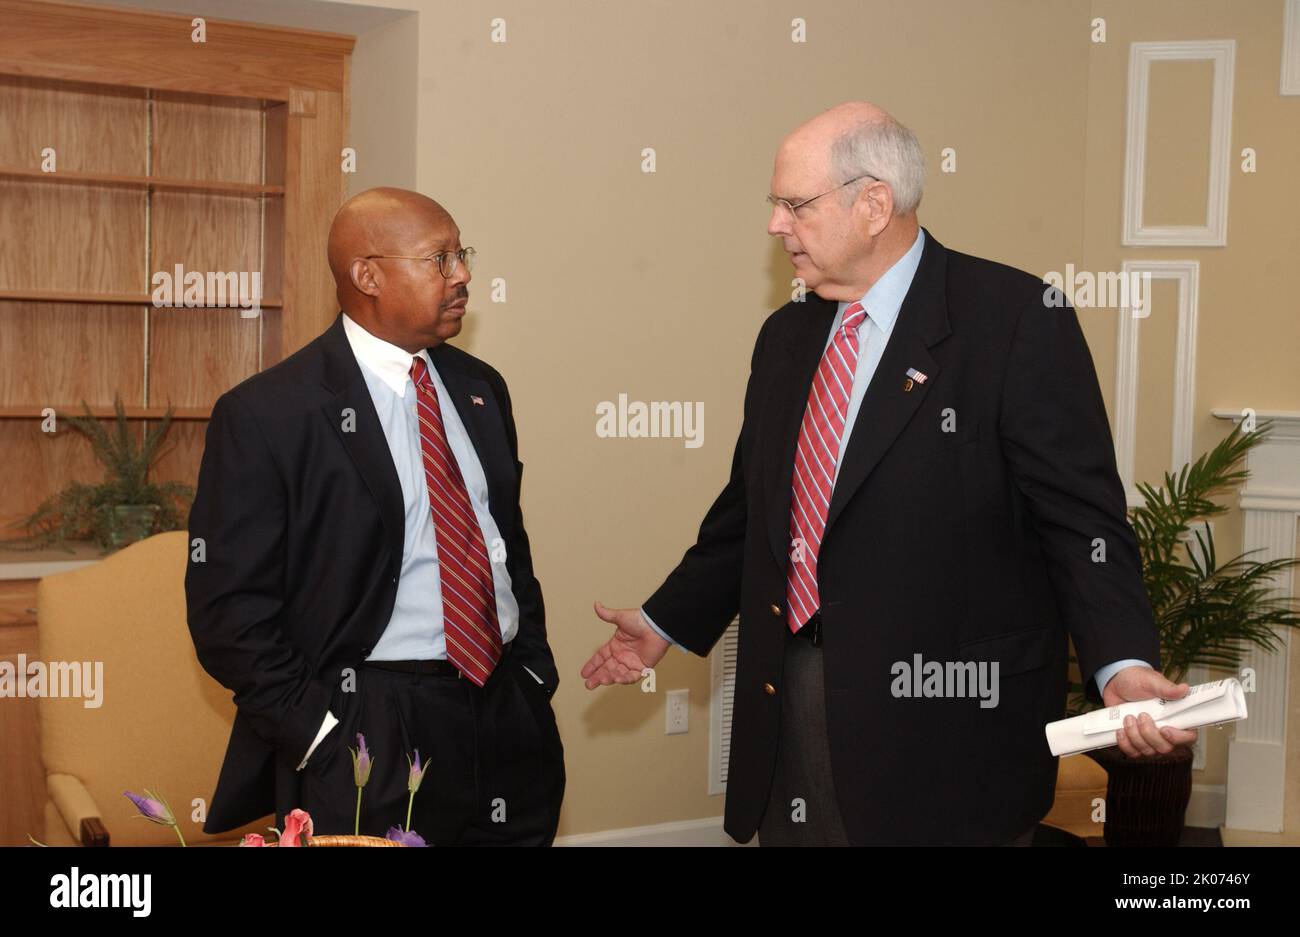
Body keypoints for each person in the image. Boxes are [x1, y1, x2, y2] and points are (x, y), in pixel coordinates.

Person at [581, 103, 1196, 846]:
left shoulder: (1013, 318)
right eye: (775, 204)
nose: (776, 225)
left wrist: (1121, 662)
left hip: (946, 732)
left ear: (873, 204)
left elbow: (1082, 523)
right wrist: (664, 622)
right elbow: (754, 512)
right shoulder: (787, 335)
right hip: (793, 709)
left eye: (794, 204)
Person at [186, 187, 563, 845]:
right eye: (439, 259)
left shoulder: (480, 389)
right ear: (367, 275)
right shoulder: (269, 414)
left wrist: (532, 669)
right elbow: (228, 614)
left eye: (461, 254)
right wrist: (320, 736)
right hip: (371, 725)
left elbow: (505, 545)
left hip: (505, 711)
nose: (464, 274)